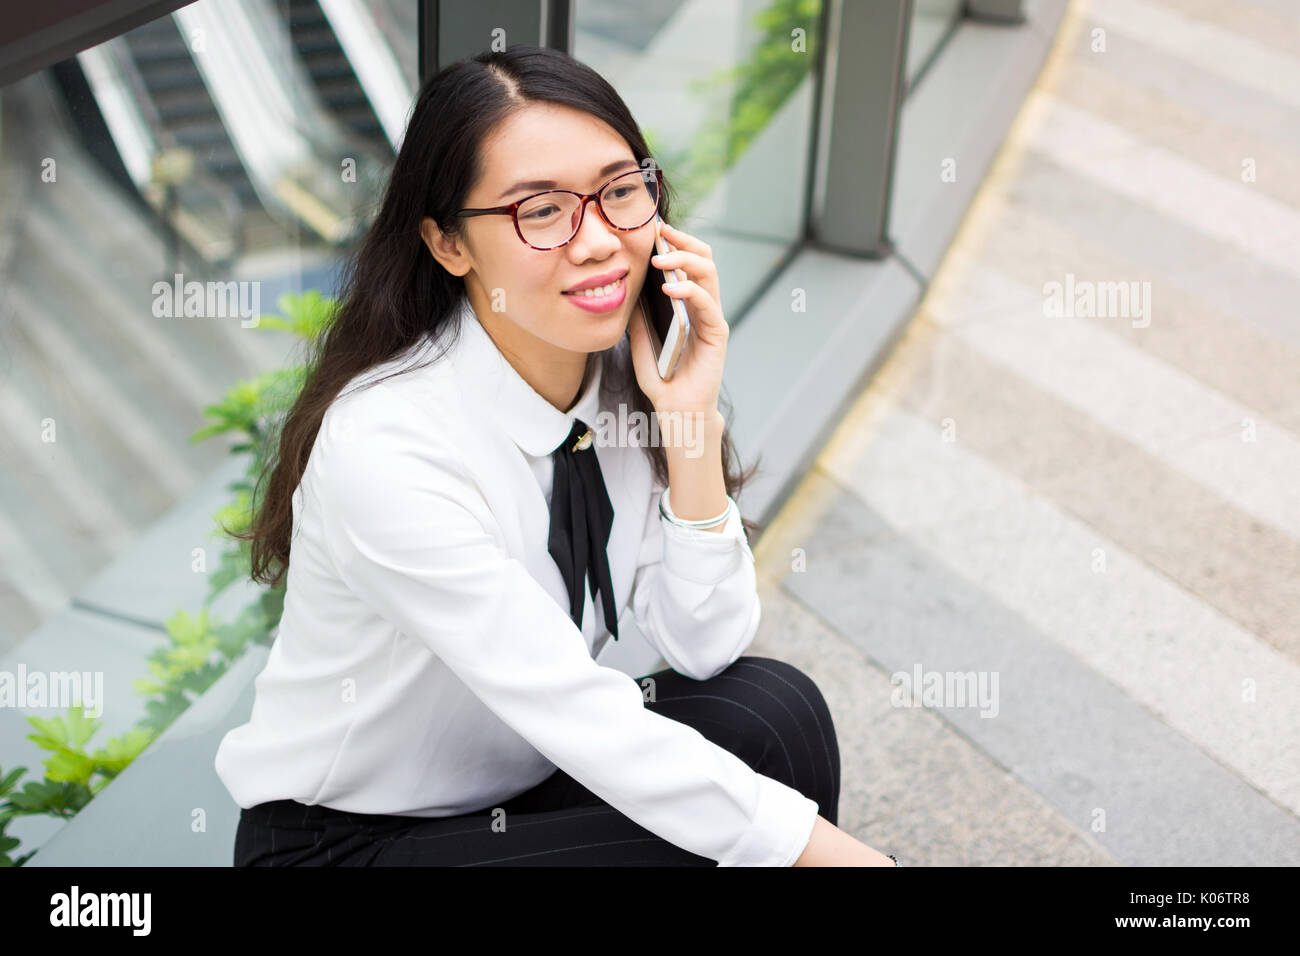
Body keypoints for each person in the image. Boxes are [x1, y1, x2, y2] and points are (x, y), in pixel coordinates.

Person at [214, 44, 898, 868]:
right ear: (448, 244)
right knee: (725, 835)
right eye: (540, 211)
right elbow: (577, 713)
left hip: (513, 787)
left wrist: (688, 426)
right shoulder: (390, 445)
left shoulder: (615, 378)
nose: (600, 241)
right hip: (350, 843)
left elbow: (707, 641)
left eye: (618, 192)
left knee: (774, 713)